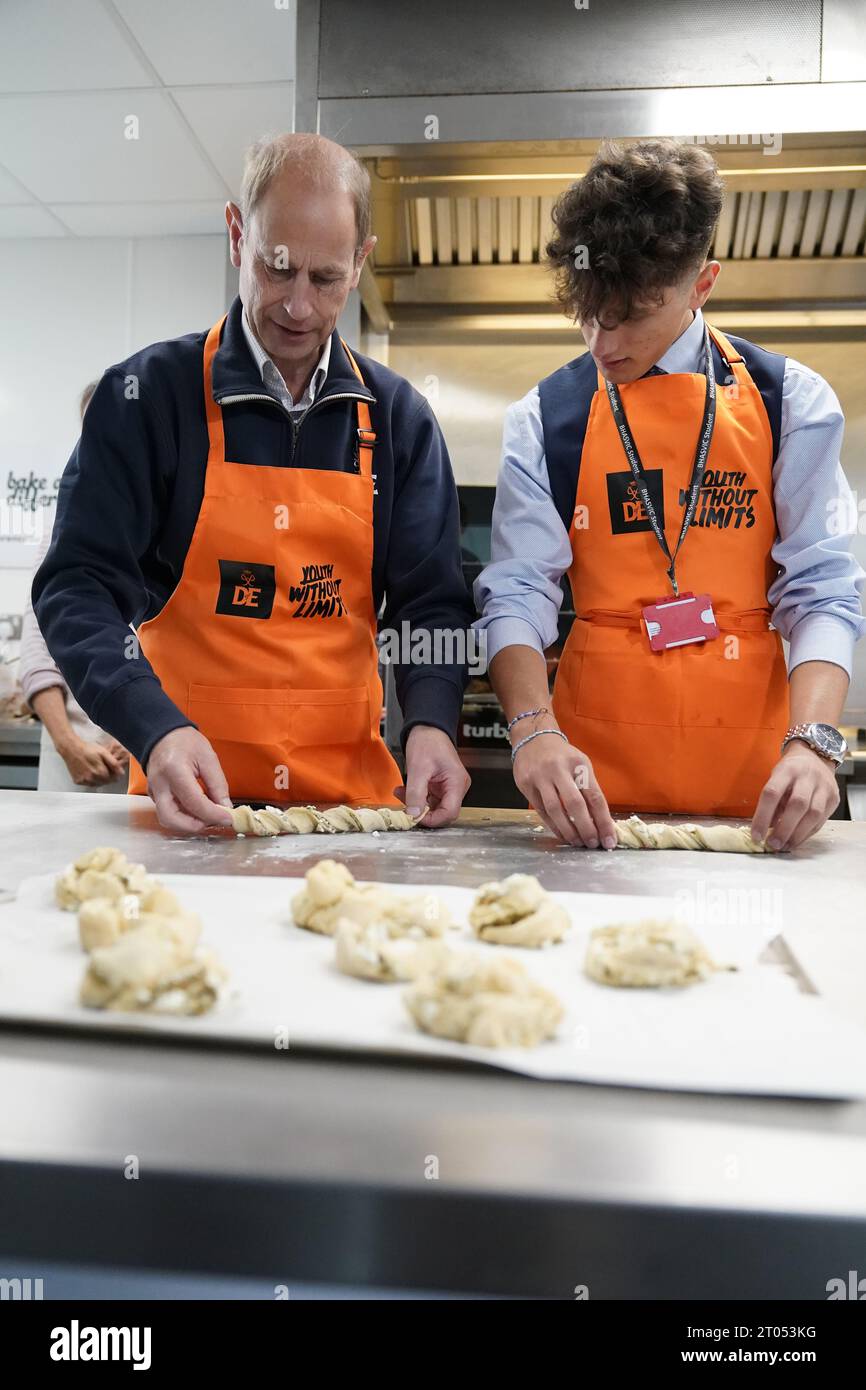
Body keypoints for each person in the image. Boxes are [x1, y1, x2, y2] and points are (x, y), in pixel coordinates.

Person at [33, 133, 473, 834]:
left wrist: (431, 723)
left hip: (349, 815)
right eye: (278, 268)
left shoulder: (397, 419)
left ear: (360, 263)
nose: (298, 306)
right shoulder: (147, 397)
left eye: (325, 278)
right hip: (182, 803)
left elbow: (429, 607)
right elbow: (78, 585)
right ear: (238, 236)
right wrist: (152, 725)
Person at [475, 139, 865, 852]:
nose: (601, 342)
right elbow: (517, 593)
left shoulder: (789, 403)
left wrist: (815, 743)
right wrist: (533, 730)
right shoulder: (546, 418)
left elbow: (824, 592)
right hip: (591, 802)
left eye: (629, 316)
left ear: (702, 283)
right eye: (587, 314)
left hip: (766, 796)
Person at [20, 382, 129, 792]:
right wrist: (68, 743)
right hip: (70, 754)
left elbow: (184, 643)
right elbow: (38, 641)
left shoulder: (175, 522)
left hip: (154, 753)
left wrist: (145, 731)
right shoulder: (63, 522)